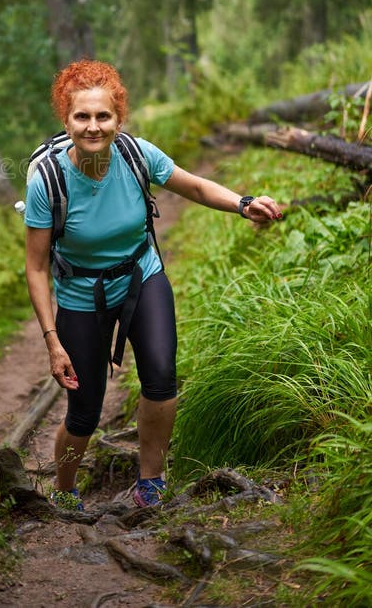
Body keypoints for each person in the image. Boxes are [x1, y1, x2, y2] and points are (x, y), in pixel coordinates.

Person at [24, 59, 282, 508]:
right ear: (65, 120)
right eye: (81, 116)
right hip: (81, 296)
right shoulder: (47, 179)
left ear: (118, 118)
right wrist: (52, 341)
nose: (93, 126)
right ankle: (64, 491)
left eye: (103, 116)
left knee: (161, 378)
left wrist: (244, 204)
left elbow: (197, 187)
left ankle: (151, 483)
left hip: (141, 277)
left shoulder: (136, 154)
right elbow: (37, 267)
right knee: (84, 413)